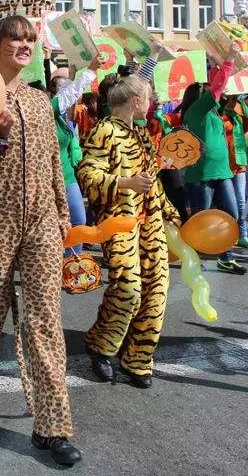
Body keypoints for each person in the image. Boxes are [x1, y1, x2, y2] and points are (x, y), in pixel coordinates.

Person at [0, 15, 80, 467]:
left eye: (31, 38)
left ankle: (53, 425)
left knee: (44, 317)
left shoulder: (39, 100)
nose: (27, 44)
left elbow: (52, 163)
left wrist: (63, 215)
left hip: (43, 222)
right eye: (17, 37)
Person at [77, 75, 180, 389]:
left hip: (150, 223)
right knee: (129, 288)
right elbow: (87, 173)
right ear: (136, 101)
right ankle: (102, 346)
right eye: (147, 98)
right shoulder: (104, 129)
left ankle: (138, 358)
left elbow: (152, 183)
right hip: (118, 221)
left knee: (157, 290)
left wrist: (171, 215)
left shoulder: (143, 134)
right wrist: (125, 183)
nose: (150, 104)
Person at [179, 60, 245, 274]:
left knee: (230, 215)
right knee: (201, 220)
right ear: (201, 98)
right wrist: (228, 63)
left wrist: (218, 64)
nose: (218, 93)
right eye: (211, 94)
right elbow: (216, 86)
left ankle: (225, 257)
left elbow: (215, 84)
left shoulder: (212, 112)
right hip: (201, 175)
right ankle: (192, 256)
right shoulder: (197, 111)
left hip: (222, 173)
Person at [47, 56, 103, 256]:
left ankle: (73, 265)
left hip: (68, 175)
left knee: (78, 220)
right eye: (60, 87)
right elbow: (67, 96)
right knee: (52, 228)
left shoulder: (64, 116)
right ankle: (53, 265)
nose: (64, 91)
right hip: (47, 180)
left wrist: (73, 74)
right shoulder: (47, 110)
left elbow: (69, 96)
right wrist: (90, 70)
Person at [220, 94, 248, 246]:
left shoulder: (240, 113)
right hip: (222, 166)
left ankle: (242, 233)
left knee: (241, 200)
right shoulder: (218, 114)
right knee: (227, 203)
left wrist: (240, 103)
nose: (232, 102)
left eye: (234, 100)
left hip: (239, 164)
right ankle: (228, 234)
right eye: (229, 99)